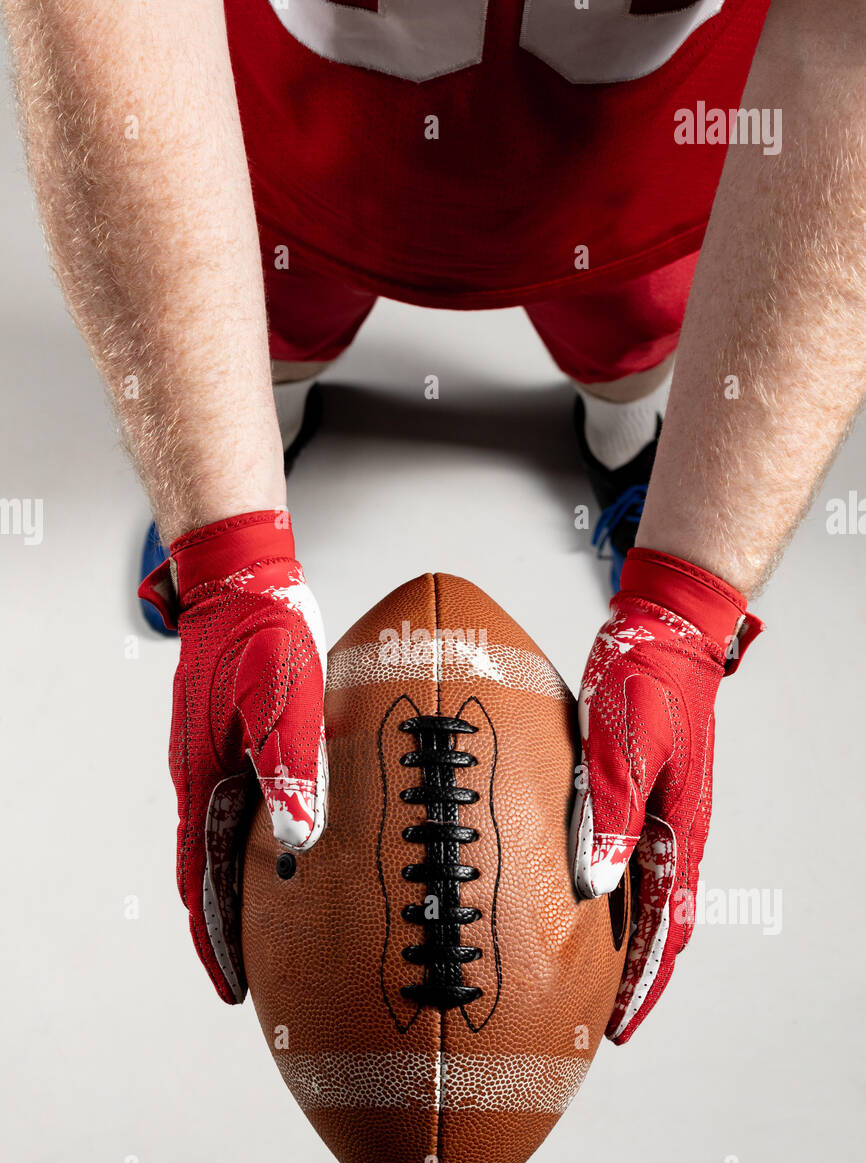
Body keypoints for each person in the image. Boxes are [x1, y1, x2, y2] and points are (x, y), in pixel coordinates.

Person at [5, 0, 865, 1038]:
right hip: (296, 131)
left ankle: (625, 437)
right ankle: (257, 440)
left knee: (630, 348)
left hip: (628, 159)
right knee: (263, 341)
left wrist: (689, 595)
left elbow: (848, 41)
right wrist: (224, 535)